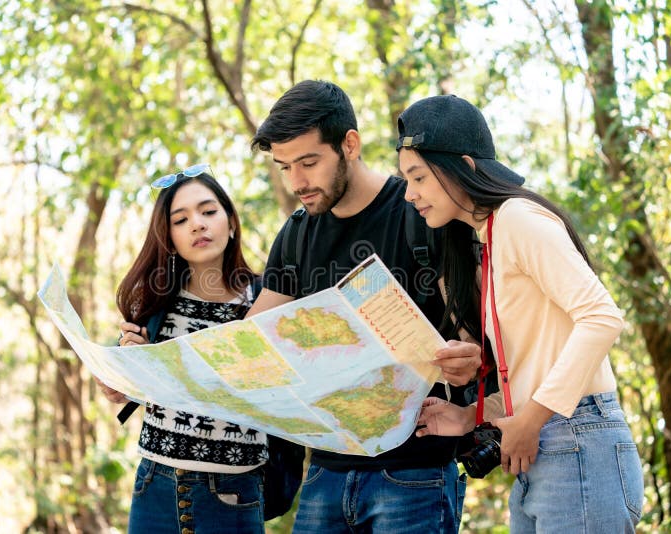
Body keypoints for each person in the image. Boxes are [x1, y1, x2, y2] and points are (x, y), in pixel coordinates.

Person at [248, 80, 484, 533]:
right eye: (284, 167)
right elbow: (252, 335)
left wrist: (466, 359)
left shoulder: (422, 213)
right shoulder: (296, 235)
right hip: (324, 475)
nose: (297, 181)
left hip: (415, 474)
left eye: (309, 162)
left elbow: (475, 340)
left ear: (349, 144)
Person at [399, 95, 644, 532]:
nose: (409, 193)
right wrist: (470, 415)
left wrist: (530, 421)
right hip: (547, 448)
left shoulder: (517, 218)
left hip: (576, 442)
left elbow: (602, 317)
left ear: (466, 168)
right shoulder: (490, 241)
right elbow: (536, 369)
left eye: (418, 176)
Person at [97, 164, 268, 534]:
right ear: (169, 237)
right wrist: (121, 375)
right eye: (181, 219)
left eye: (208, 212)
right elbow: (118, 388)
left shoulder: (266, 298)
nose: (197, 224)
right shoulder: (154, 300)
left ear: (231, 221)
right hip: (153, 487)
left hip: (232, 493)